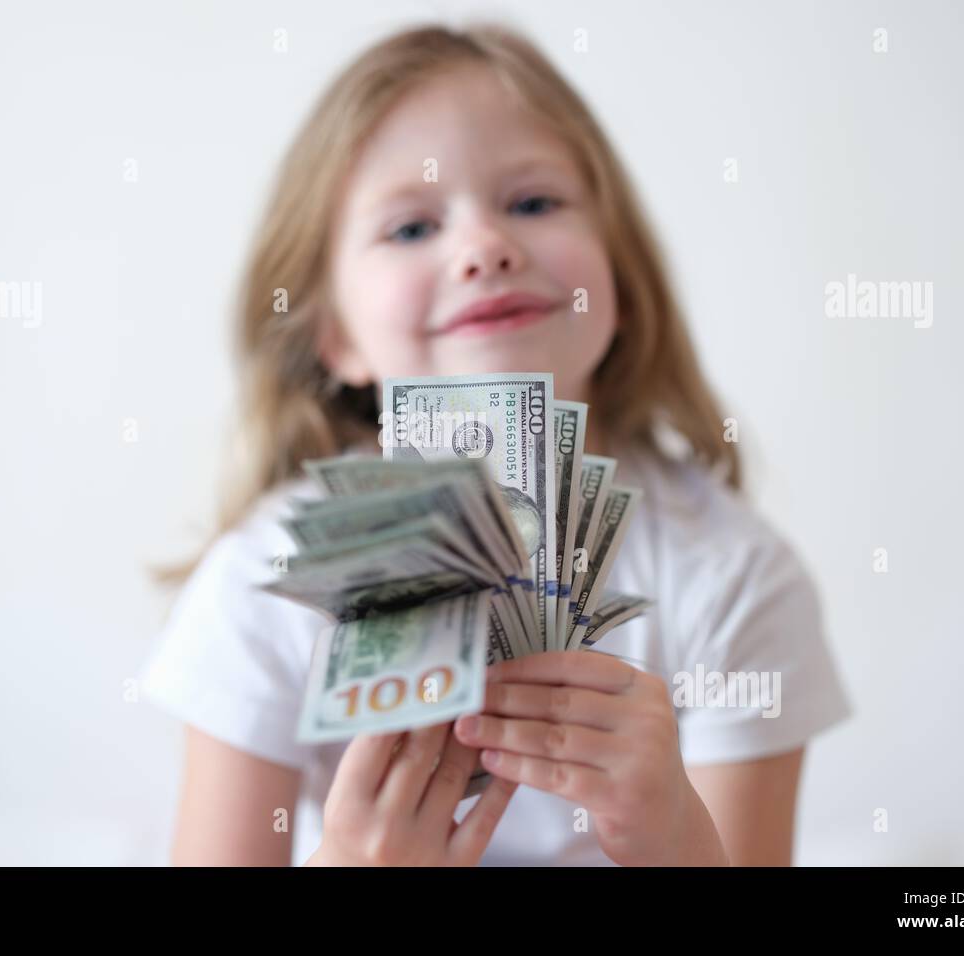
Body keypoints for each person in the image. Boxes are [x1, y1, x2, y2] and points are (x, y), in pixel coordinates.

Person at [141, 23, 851, 866]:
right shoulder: (263, 585)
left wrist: (677, 842)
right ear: (334, 336)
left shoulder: (732, 575)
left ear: (619, 281)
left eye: (533, 202)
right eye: (410, 228)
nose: (485, 247)